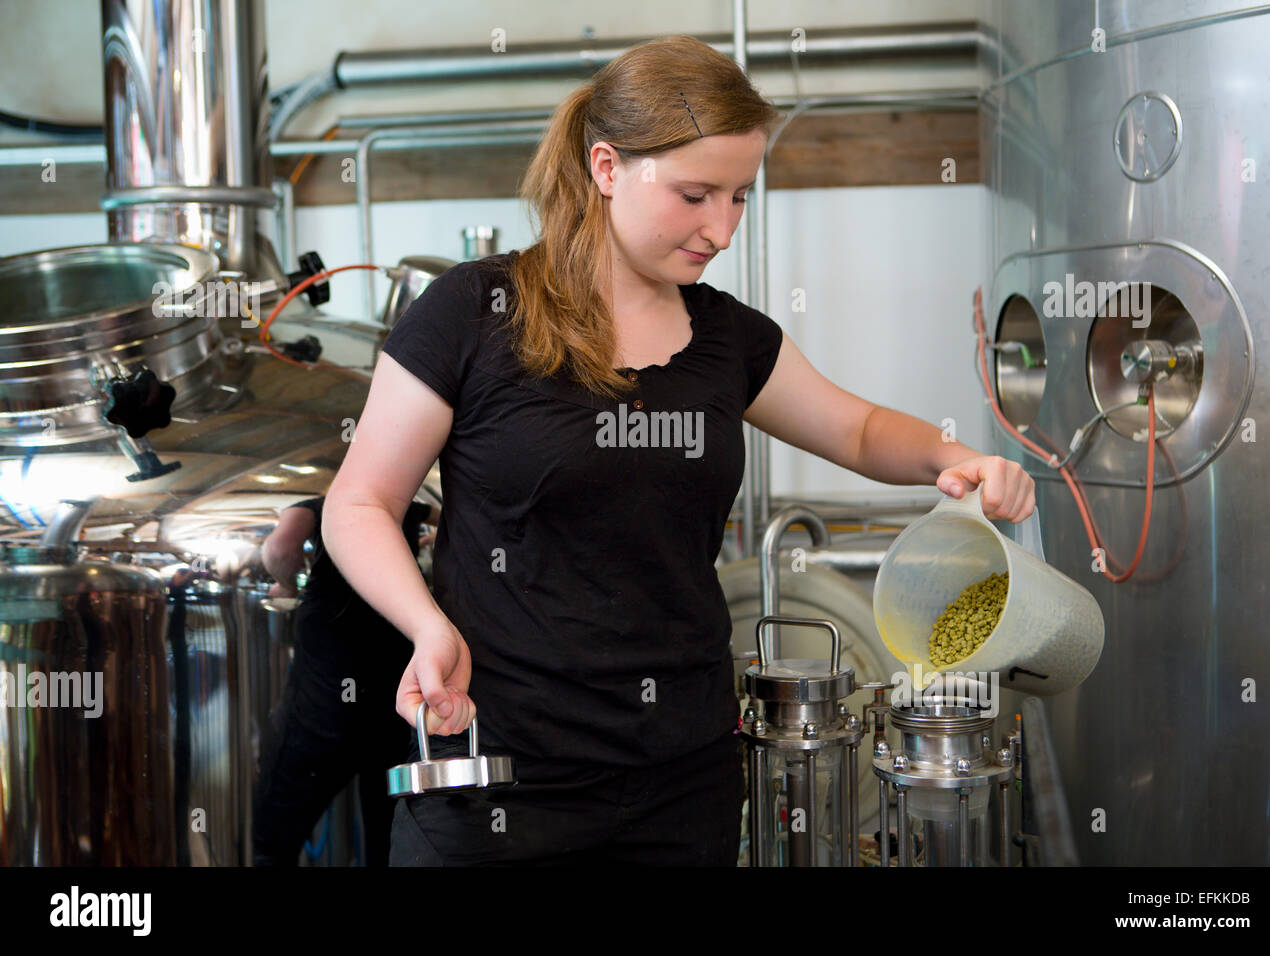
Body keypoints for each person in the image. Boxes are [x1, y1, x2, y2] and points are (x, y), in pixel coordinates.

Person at [321, 34, 1035, 866]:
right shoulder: (472, 314)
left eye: (740, 197)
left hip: (682, 775)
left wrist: (955, 458)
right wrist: (427, 627)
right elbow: (359, 502)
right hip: (499, 773)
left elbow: (859, 428)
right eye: (697, 194)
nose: (722, 229)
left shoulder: (726, 337)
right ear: (607, 166)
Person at [252, 494, 436, 866]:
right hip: (390, 664)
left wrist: (290, 583)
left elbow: (280, 548)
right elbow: (452, 519)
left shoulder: (317, 502)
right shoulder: (405, 504)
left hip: (327, 685)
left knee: (275, 825)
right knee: (386, 819)